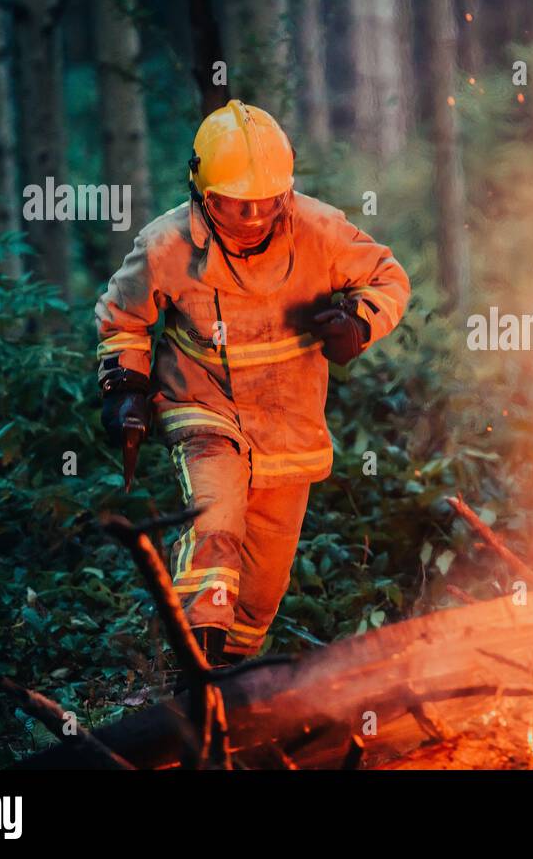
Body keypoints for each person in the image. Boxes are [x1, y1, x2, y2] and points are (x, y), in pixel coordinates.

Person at [94, 100, 409, 666]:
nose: (255, 216)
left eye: (268, 201)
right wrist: (124, 389)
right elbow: (124, 319)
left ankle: (235, 684)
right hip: (200, 402)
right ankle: (194, 666)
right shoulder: (165, 245)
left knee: (264, 585)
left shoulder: (319, 230)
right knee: (215, 520)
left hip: (288, 424)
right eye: (238, 204)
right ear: (203, 193)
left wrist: (359, 324)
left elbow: (388, 276)